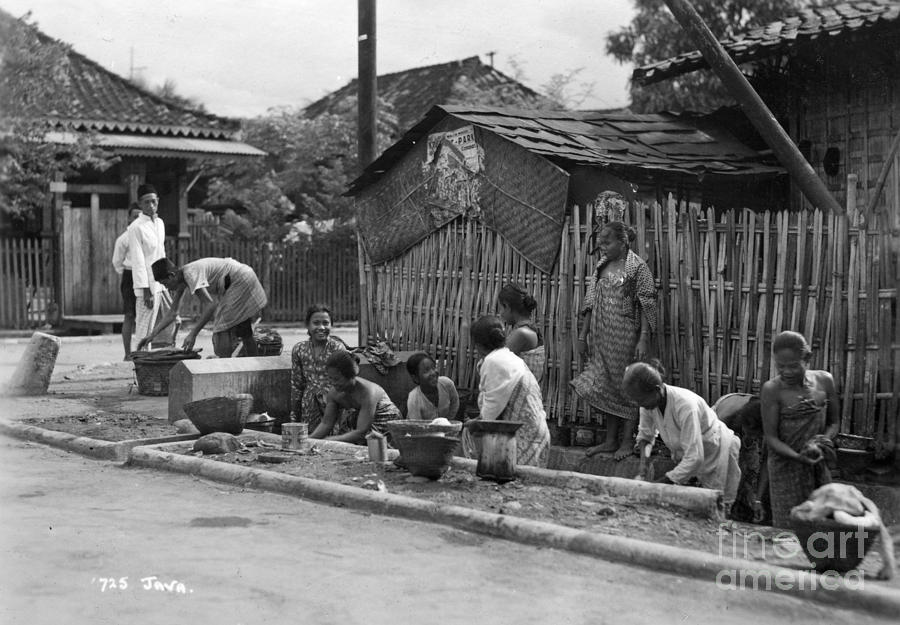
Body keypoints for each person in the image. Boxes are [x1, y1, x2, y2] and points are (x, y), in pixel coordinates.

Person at [572, 220, 657, 459]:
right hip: (602, 335)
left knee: (626, 386)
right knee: (607, 385)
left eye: (607, 243)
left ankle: (627, 442)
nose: (603, 247)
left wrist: (643, 339)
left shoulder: (637, 267)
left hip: (625, 337)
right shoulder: (602, 265)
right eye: (601, 243)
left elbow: (647, 304)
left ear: (623, 242)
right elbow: (590, 302)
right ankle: (610, 440)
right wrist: (583, 334)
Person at [623, 361, 742, 512]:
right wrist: (643, 467)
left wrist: (660, 484)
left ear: (657, 390)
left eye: (641, 400)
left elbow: (695, 457)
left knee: (715, 508)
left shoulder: (686, 406)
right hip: (691, 455)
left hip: (716, 453)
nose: (640, 404)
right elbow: (646, 436)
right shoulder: (647, 403)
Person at [760, 331, 839, 529]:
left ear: (808, 359)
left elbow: (834, 423)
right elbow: (771, 438)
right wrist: (798, 457)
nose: (786, 372)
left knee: (821, 521)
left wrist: (820, 444)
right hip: (785, 468)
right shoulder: (772, 390)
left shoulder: (825, 381)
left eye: (794, 365)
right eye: (781, 366)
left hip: (817, 463)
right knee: (790, 527)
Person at [463, 315, 550, 467]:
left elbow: (491, 409)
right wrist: (479, 420)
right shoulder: (508, 357)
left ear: (477, 344)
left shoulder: (493, 361)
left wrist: (477, 425)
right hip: (535, 435)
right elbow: (499, 401)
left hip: (524, 438)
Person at [137, 257, 267, 358]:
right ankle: (254, 366)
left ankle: (224, 368)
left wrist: (192, 334)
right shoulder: (182, 277)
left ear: (172, 275)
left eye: (165, 283)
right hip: (243, 276)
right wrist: (151, 335)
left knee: (220, 329)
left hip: (239, 279)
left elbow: (211, 305)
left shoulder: (190, 273)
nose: (166, 288)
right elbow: (173, 312)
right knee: (243, 329)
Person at [310, 351, 402, 445]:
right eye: (330, 378)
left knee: (373, 446)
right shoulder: (334, 393)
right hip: (361, 423)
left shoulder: (368, 393)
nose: (333, 383)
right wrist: (309, 440)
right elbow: (326, 424)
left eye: (337, 379)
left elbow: (360, 433)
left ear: (351, 376)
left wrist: (328, 441)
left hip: (386, 423)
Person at [127, 184, 176, 347]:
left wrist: (169, 279)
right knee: (144, 329)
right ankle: (139, 365)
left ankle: (164, 360)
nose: (151, 206)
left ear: (158, 201)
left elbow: (161, 254)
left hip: (161, 284)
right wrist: (145, 290)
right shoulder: (135, 227)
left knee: (172, 322)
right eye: (146, 202)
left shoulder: (160, 223)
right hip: (146, 286)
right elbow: (138, 261)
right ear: (140, 204)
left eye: (154, 202)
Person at [290, 304, 348, 433]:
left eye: (326, 323)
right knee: (309, 441)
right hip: (309, 406)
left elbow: (346, 384)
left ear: (331, 325)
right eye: (316, 323)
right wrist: (294, 416)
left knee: (333, 441)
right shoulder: (299, 349)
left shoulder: (337, 349)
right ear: (308, 326)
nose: (321, 327)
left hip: (333, 404)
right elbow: (296, 385)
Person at [714, 394, 771, 524]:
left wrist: (757, 499)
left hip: (743, 429)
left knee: (751, 471)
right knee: (726, 470)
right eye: (751, 434)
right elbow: (717, 464)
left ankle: (741, 505)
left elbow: (765, 463)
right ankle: (724, 506)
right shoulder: (724, 419)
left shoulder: (768, 422)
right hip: (722, 432)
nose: (755, 437)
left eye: (757, 436)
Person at [498, 283, 545, 382]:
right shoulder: (528, 328)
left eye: (501, 308)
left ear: (507, 307)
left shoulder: (521, 333)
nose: (500, 313)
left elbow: (497, 364)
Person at [111, 206, 141, 359]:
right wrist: (129, 273)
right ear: (129, 218)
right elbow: (117, 262)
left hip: (146, 276)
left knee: (145, 315)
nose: (137, 219)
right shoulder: (124, 238)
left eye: (140, 216)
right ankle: (127, 353)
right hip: (130, 275)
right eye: (134, 216)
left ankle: (143, 352)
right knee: (129, 315)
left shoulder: (148, 234)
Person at [405, 351, 460, 421]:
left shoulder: (447, 384)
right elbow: (416, 427)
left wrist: (448, 425)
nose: (433, 373)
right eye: (426, 371)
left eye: (434, 367)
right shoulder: (414, 399)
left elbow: (455, 406)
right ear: (415, 377)